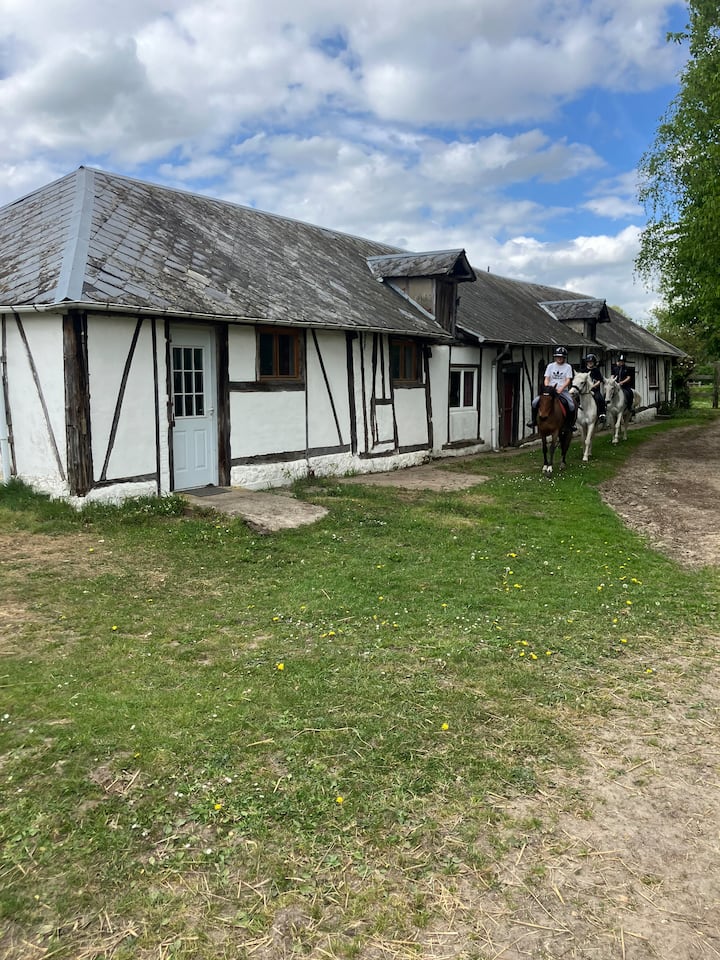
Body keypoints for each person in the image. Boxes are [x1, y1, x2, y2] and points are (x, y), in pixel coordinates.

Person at [527, 347, 576, 430]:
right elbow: (547, 378)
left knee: (571, 405)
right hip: (550, 390)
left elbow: (568, 380)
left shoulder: (568, 367)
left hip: (562, 391)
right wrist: (547, 387)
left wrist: (561, 388)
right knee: (535, 402)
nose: (559, 358)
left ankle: (570, 424)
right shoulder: (550, 366)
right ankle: (534, 421)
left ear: (564, 358)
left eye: (561, 357)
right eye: (557, 356)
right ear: (555, 357)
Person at [584, 354, 606, 423]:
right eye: (589, 362)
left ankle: (602, 414)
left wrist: (593, 386)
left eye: (592, 362)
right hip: (585, 391)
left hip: (595, 390)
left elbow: (599, 381)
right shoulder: (583, 370)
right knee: (576, 399)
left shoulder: (596, 370)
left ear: (594, 363)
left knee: (600, 399)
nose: (590, 363)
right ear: (587, 362)